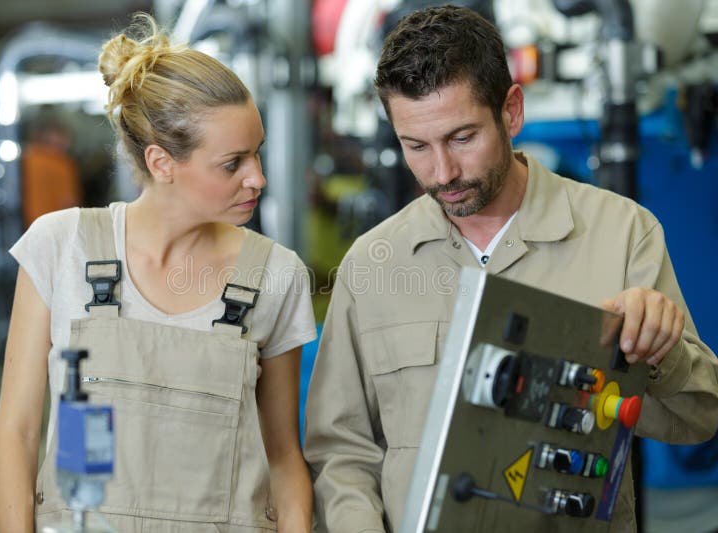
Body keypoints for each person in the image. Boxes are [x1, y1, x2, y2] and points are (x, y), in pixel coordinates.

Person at [303, 5, 718, 533]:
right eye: (416, 146)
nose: (443, 172)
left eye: (462, 138)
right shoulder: (372, 263)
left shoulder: (621, 234)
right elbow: (341, 452)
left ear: (512, 111)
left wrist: (660, 349)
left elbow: (698, 420)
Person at [0, 14, 315, 533]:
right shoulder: (62, 247)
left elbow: (283, 457)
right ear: (161, 162)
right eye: (232, 163)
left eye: (258, 153)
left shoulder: (276, 275)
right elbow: (18, 430)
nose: (258, 178)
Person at [21, 111, 83, 227]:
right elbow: (69, 203)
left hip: (32, 226)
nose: (67, 141)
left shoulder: (27, 159)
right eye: (62, 135)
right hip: (58, 226)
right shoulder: (62, 164)